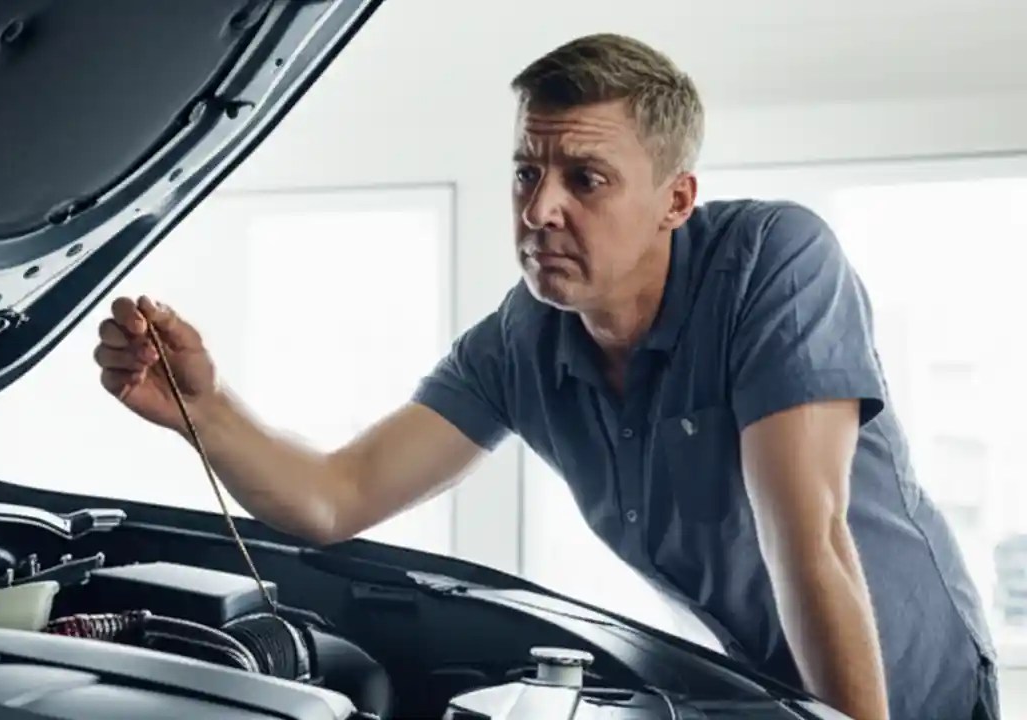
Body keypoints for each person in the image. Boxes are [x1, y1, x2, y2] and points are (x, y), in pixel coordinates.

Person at [92, 33, 998, 720]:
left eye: (585, 179)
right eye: (527, 171)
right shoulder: (520, 341)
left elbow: (807, 538)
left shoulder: (773, 260)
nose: (539, 209)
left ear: (676, 201)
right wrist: (205, 410)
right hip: (764, 695)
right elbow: (337, 496)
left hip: (907, 689)